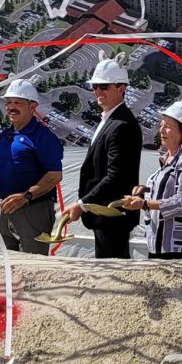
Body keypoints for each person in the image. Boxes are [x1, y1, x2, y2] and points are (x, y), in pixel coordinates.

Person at [62, 59, 142, 259]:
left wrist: (82, 204)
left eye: (104, 86)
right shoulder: (112, 120)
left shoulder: (122, 125)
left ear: (121, 88)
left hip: (111, 215)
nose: (98, 91)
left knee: (113, 274)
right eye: (95, 86)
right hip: (104, 215)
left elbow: (116, 176)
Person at [122, 101, 182, 262]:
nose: (161, 130)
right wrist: (146, 191)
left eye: (168, 126)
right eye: (162, 125)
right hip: (161, 243)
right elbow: (168, 191)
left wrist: (145, 204)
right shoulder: (168, 159)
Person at [0, 77, 63, 254]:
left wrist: (26, 196)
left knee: (32, 266)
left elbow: (54, 175)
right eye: (9, 102)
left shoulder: (43, 137)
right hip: (8, 207)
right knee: (7, 264)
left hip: (33, 208)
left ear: (32, 106)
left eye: (18, 103)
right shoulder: (4, 136)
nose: (11, 107)